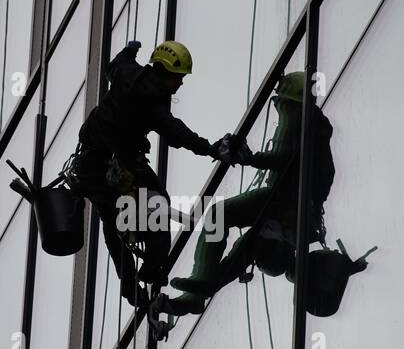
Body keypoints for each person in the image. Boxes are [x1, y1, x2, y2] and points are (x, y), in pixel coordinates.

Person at [66, 39, 239, 311]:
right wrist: (210, 149)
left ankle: (133, 278)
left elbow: (116, 65)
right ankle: (149, 269)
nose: (180, 84)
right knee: (153, 206)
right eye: (178, 78)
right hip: (113, 163)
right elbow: (176, 132)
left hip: (93, 163)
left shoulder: (129, 71)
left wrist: (130, 50)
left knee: (113, 218)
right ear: (164, 72)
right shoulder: (151, 102)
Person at [163, 71, 336, 316]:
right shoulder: (309, 125)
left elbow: (287, 159)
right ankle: (195, 295)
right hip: (288, 204)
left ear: (291, 102)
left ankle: (200, 285)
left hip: (286, 199)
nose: (280, 109)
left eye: (282, 103)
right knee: (242, 250)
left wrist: (251, 159)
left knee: (220, 214)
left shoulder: (303, 123)